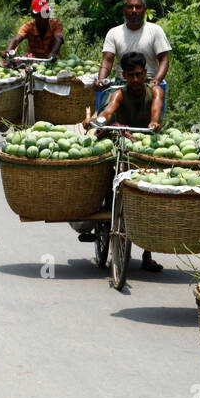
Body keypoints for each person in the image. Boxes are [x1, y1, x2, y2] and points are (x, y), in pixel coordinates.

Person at [80, 53, 166, 272]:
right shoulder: (119, 93)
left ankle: (148, 253)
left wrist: (154, 123)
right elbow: (108, 112)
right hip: (121, 140)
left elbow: (156, 110)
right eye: (130, 76)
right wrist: (97, 121)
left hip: (144, 143)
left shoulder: (154, 91)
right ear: (124, 77)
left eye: (139, 74)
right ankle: (99, 215)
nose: (136, 80)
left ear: (145, 73)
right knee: (104, 173)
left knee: (153, 191)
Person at [98, 0, 170, 103]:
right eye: (130, 7)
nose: (134, 10)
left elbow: (164, 59)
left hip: (148, 83)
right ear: (124, 10)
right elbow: (107, 59)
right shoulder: (114, 33)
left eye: (138, 7)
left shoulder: (155, 31)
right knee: (106, 113)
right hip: (122, 83)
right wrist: (101, 79)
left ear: (144, 10)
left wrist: (157, 80)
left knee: (152, 113)